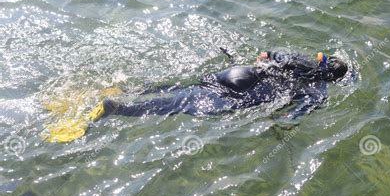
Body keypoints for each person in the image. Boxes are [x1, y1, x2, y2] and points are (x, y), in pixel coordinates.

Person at [90, 50, 348, 121]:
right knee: (177, 103)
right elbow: (287, 117)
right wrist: (275, 116)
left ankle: (126, 90)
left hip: (238, 73)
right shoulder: (317, 92)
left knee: (180, 86)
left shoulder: (301, 59)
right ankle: (117, 109)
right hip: (237, 93)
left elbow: (264, 55)